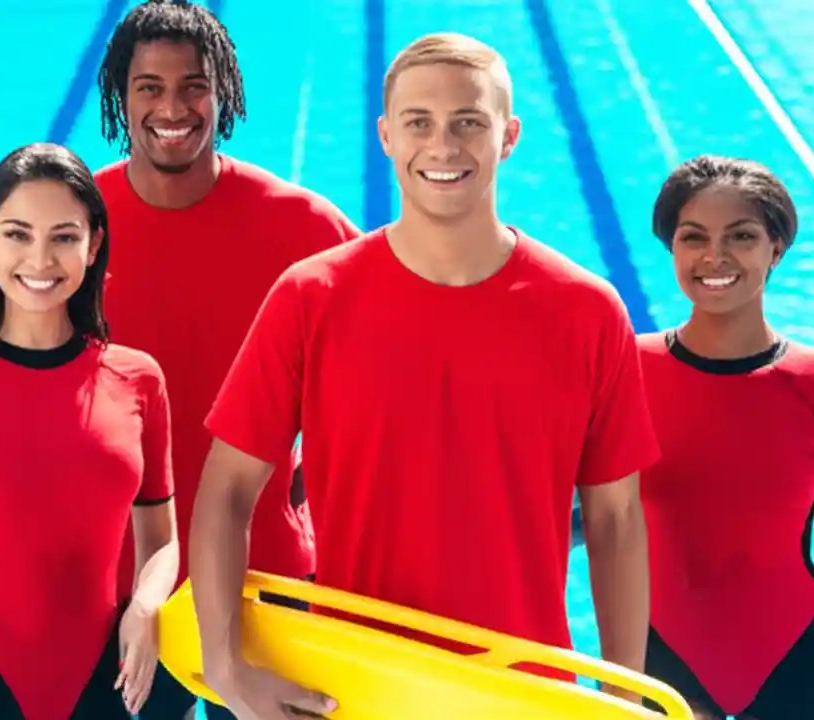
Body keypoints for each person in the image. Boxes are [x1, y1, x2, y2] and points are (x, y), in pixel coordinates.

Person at [188, 31, 660, 719]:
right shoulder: (311, 298)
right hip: (355, 691)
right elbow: (227, 489)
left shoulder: (586, 311)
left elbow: (616, 520)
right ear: (385, 135)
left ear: (508, 136)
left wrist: (623, 702)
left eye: (468, 122)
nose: (442, 146)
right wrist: (225, 666)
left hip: (523, 697)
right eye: (419, 123)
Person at [93, 3, 361, 714]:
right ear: (120, 94)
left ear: (225, 92)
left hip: (268, 578)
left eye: (194, 86)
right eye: (149, 87)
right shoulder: (73, 225)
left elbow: (383, 387)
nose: (172, 108)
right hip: (115, 587)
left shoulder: (306, 227)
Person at [0, 143, 179, 720]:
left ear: (93, 245)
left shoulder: (138, 380)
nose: (40, 260)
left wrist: (146, 604)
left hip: (106, 686)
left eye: (64, 237)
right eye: (18, 234)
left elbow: (162, 541)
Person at [638, 155, 814, 720]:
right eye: (694, 237)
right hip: (656, 659)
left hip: (797, 662)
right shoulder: (628, 371)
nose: (715, 256)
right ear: (671, 247)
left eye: (742, 236)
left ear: (776, 248)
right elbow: (594, 520)